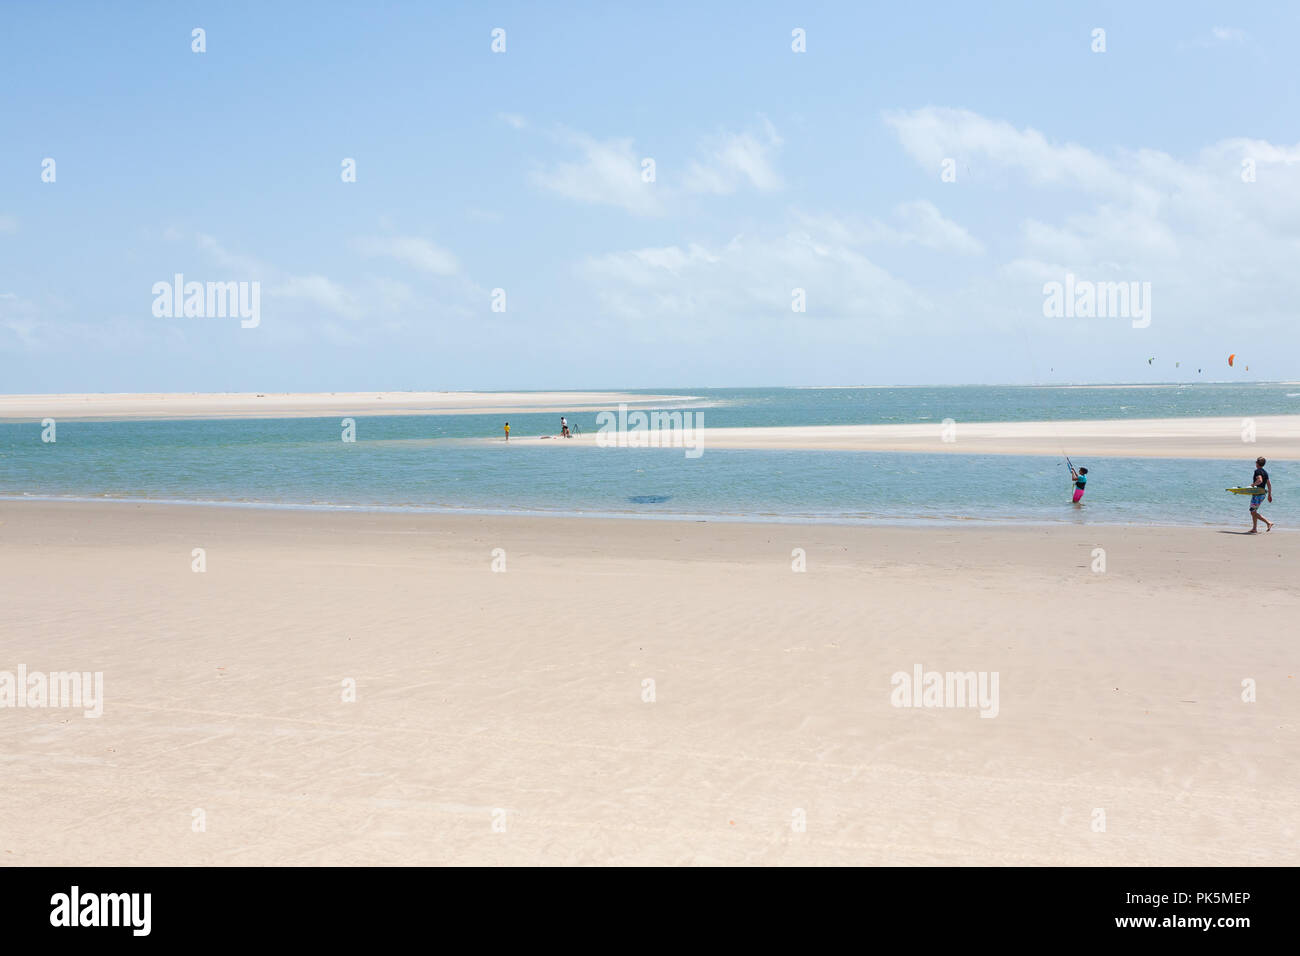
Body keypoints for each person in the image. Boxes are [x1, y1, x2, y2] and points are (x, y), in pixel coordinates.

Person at [1248, 456, 1273, 533]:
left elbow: (1260, 480)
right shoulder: (1265, 472)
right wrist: (1269, 495)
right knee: (1254, 511)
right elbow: (1269, 484)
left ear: (1257, 463)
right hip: (1262, 494)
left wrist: (1252, 485)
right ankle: (1254, 528)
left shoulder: (1257, 471)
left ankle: (1268, 522)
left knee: (1252, 511)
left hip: (1257, 494)